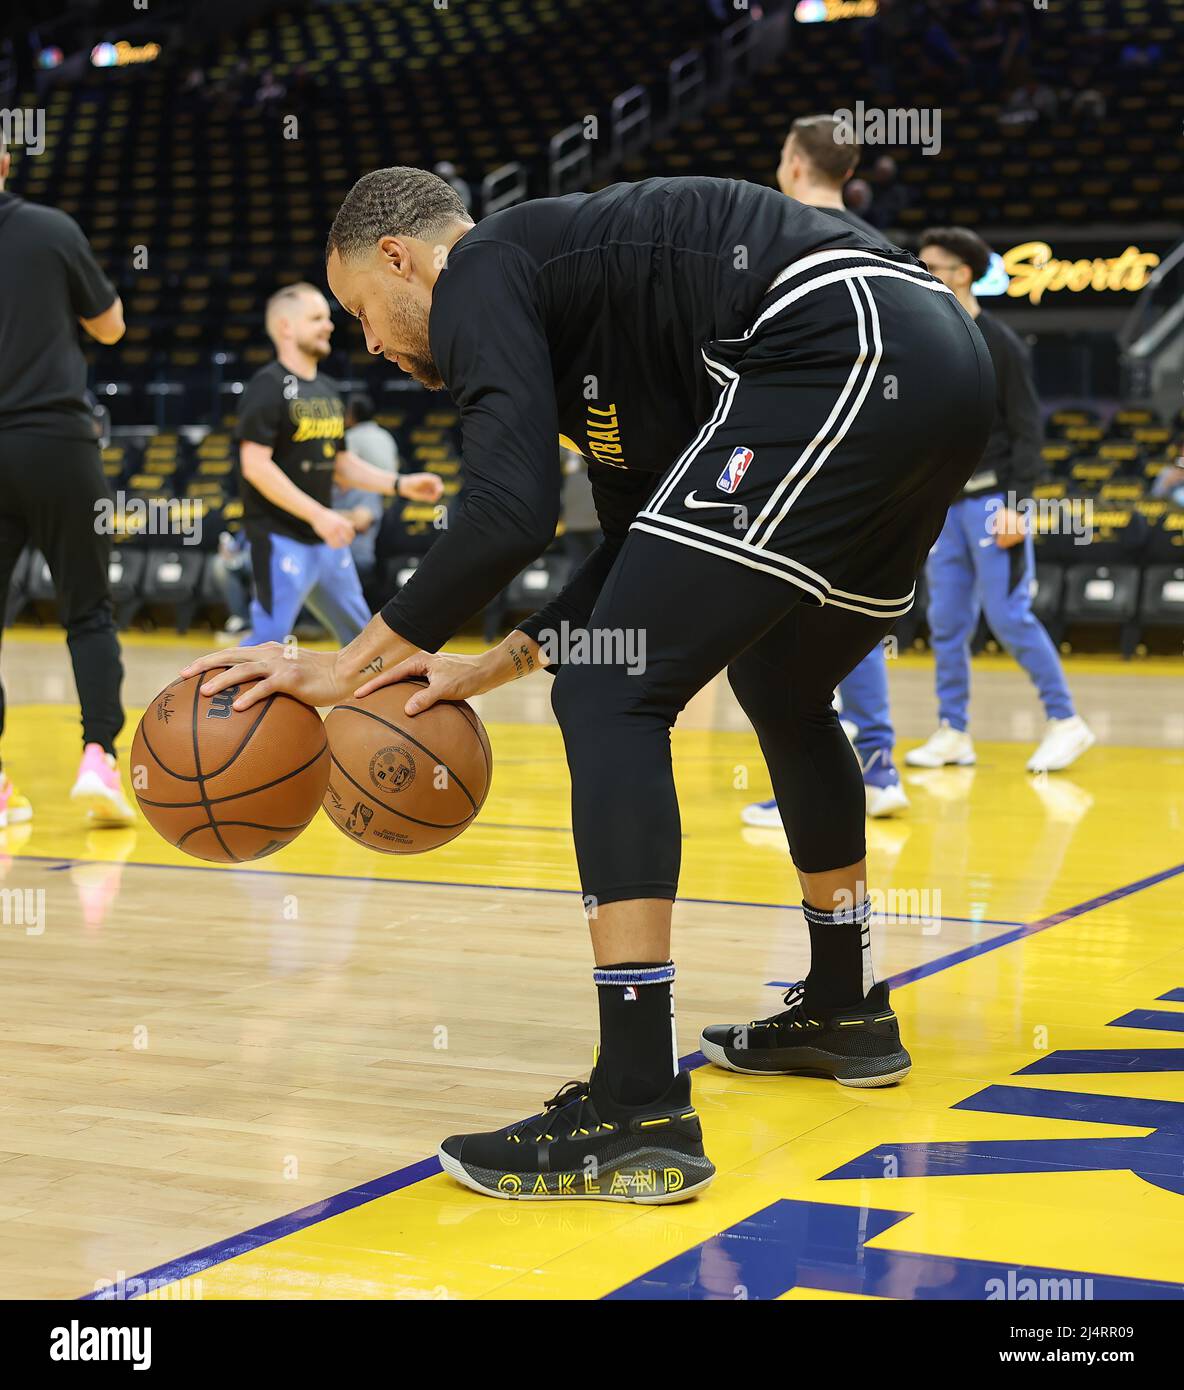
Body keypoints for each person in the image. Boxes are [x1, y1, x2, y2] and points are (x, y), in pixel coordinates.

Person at [184, 168, 993, 1204]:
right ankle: (841, 1008)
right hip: (917, 363)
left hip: (840, 341)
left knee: (610, 699)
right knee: (780, 683)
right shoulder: (589, 343)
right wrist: (496, 661)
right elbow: (633, 554)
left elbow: (509, 512)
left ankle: (635, 1107)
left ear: (403, 259)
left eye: (361, 314)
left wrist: (346, 664)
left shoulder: (480, 270)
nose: (374, 344)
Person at [744, 114, 909, 824]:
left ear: (792, 162)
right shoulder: (886, 247)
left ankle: (816, 781)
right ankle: (876, 766)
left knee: (786, 634)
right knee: (851, 617)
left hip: (809, 456)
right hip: (885, 456)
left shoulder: (779, 237)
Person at [908, 228, 1095, 774]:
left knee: (1008, 616)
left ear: (962, 273)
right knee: (945, 620)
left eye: (932, 266)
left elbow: (1027, 429)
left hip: (996, 503)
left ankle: (1066, 721)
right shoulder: (932, 338)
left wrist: (1020, 504)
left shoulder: (1003, 343)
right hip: (949, 506)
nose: (922, 275)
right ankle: (953, 731)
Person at [0, 131, 135, 828]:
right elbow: (110, 327)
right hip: (55, 441)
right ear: (4, 161)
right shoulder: (51, 230)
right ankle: (97, 759)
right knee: (87, 609)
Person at [234, 282, 440, 647]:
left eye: (327, 319)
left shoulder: (329, 388)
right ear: (285, 327)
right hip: (279, 537)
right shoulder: (265, 386)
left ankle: (370, 706)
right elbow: (255, 466)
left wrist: (399, 484)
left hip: (327, 540)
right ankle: (217, 703)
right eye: (316, 318)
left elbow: (341, 464)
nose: (329, 326)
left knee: (362, 641)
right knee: (267, 640)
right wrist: (320, 515)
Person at [333, 392, 401, 593]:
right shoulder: (384, 434)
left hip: (368, 497)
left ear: (351, 415)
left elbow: (347, 469)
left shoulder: (352, 437)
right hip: (391, 505)